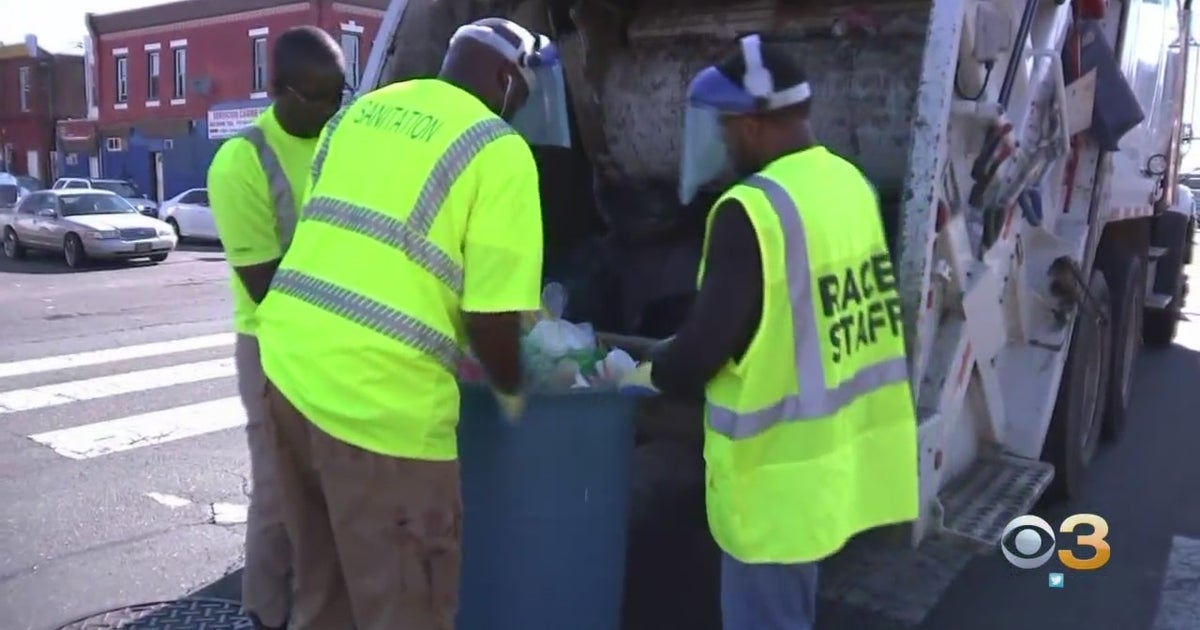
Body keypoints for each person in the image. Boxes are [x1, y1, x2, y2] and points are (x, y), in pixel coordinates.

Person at [253, 17, 571, 630]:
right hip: (380, 409)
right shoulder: (497, 148)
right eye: (524, 95)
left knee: (324, 593)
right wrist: (514, 390)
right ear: (507, 79)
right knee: (408, 607)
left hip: (288, 371)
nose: (522, 109)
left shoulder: (360, 113)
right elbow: (493, 322)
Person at [619, 34, 919, 629]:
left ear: (753, 125)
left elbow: (703, 352)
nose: (723, 140)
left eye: (726, 126)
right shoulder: (850, 184)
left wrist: (639, 377)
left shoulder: (751, 209)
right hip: (834, 462)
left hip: (772, 483)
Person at [206, 25, 346, 630]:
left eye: (339, 95)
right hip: (272, 345)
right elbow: (265, 284)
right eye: (317, 97)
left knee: (332, 489)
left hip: (338, 341)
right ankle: (264, 613)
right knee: (279, 493)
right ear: (280, 90)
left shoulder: (340, 140)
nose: (330, 109)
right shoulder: (242, 162)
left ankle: (318, 608)